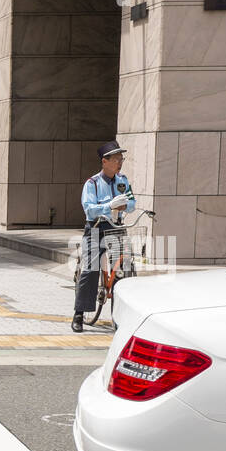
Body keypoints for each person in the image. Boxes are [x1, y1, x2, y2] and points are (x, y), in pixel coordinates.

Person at [73, 141, 135, 332]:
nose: (120, 163)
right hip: (96, 227)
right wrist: (108, 206)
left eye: (121, 159)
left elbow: (132, 202)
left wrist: (124, 205)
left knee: (122, 271)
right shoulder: (92, 184)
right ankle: (79, 314)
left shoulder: (122, 180)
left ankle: (119, 316)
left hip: (116, 227)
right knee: (91, 269)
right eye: (116, 159)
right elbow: (90, 210)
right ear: (104, 161)